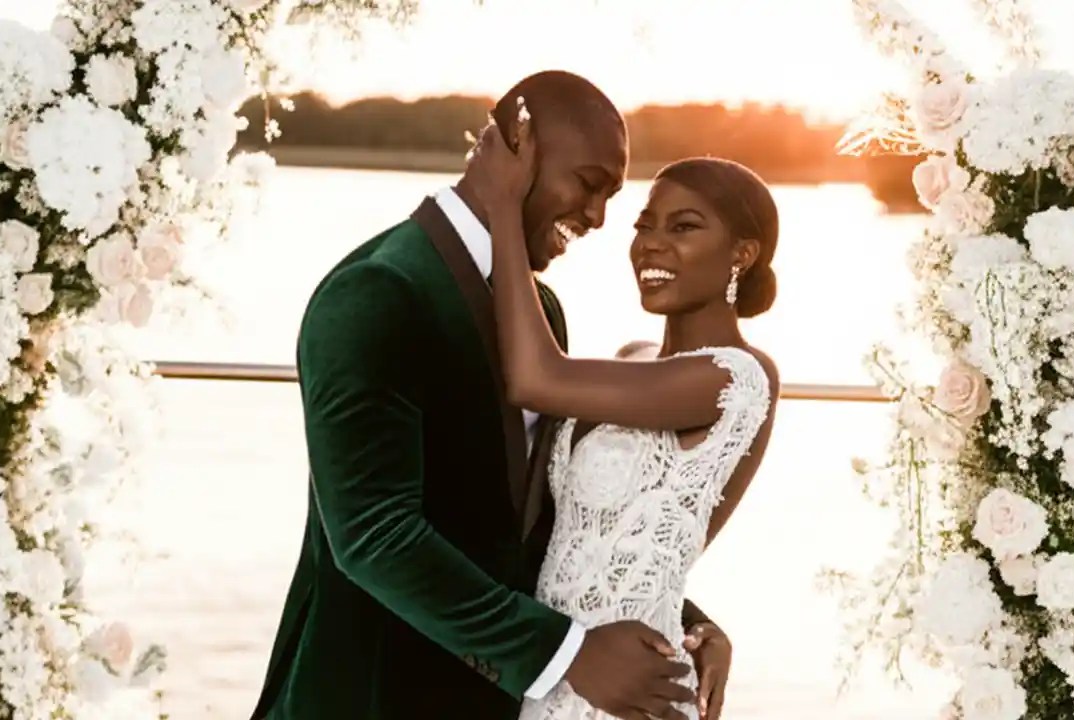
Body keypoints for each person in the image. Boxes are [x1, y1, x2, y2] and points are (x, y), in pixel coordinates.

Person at [249, 70, 733, 720]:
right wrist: (568, 655)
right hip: (369, 696)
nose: (596, 217)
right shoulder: (376, 293)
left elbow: (545, 522)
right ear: (515, 142)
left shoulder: (544, 315)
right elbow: (375, 537)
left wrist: (680, 622)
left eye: (611, 196)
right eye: (589, 184)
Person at [465, 104, 782, 720]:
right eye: (645, 224)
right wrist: (700, 621)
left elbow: (534, 377)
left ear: (740, 254)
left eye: (685, 226)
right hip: (557, 672)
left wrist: (502, 205)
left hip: (627, 695)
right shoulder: (630, 358)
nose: (653, 243)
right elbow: (613, 538)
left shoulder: (737, 377)